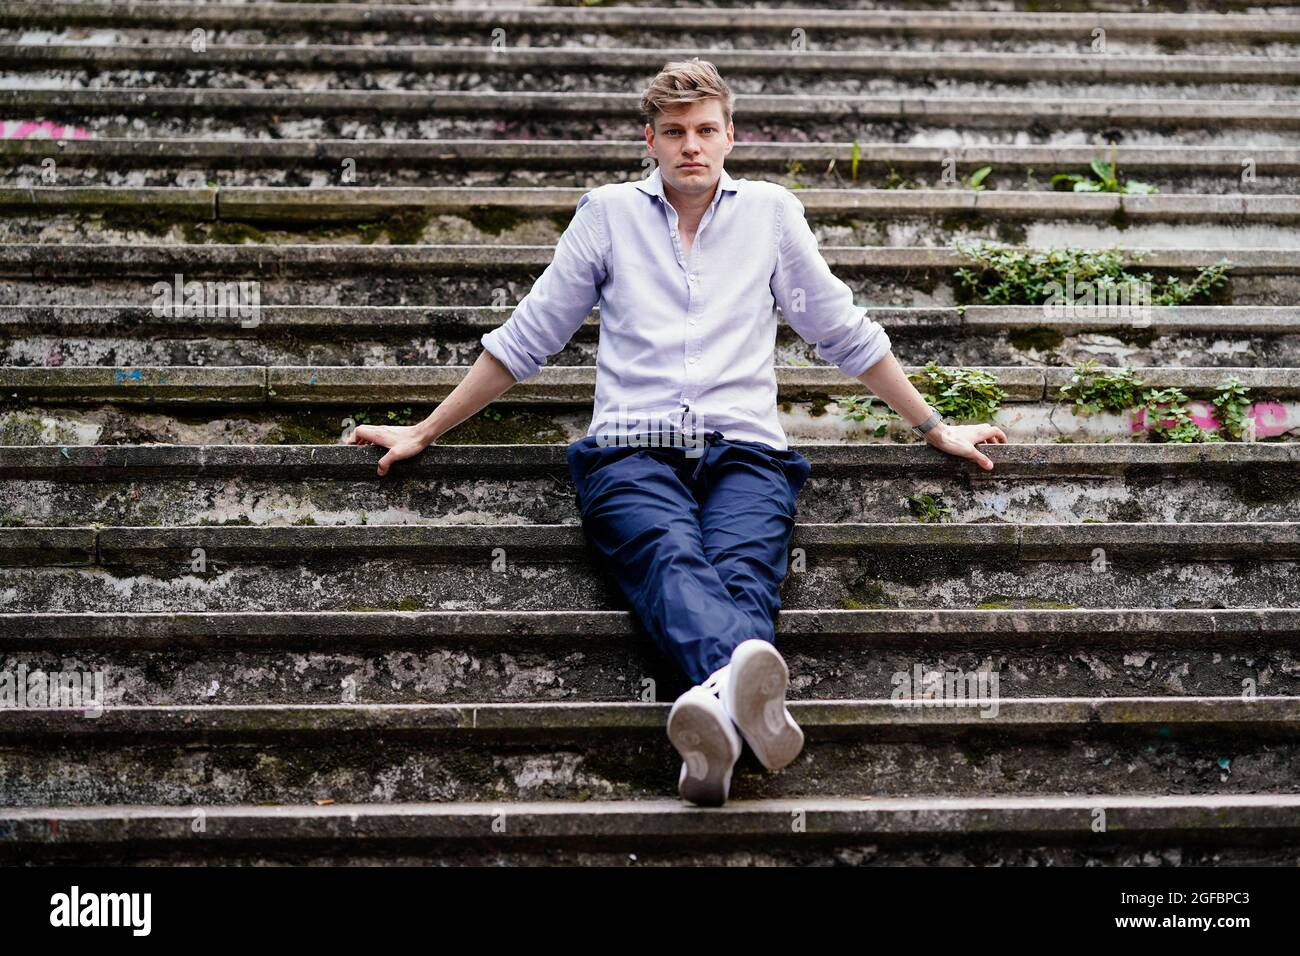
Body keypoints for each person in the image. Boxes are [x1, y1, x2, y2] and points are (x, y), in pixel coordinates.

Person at [344, 59, 1008, 806]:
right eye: (674, 132)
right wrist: (427, 430)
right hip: (630, 448)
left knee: (743, 575)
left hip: (747, 451)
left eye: (705, 130)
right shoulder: (606, 214)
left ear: (730, 136)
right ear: (650, 140)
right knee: (668, 557)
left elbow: (843, 333)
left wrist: (932, 425)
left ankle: (712, 744)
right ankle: (740, 706)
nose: (691, 145)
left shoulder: (771, 214)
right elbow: (529, 337)